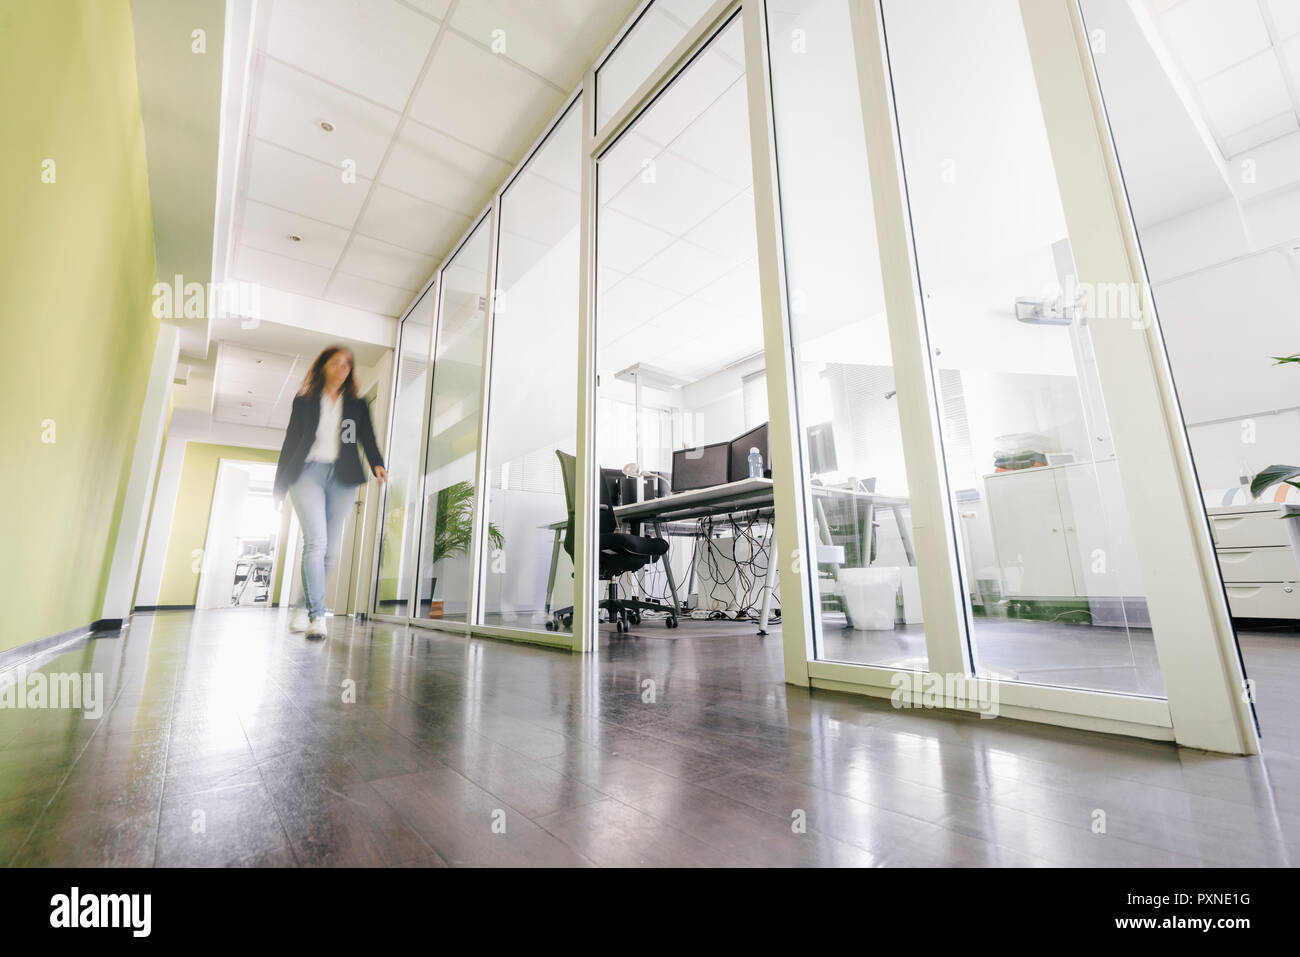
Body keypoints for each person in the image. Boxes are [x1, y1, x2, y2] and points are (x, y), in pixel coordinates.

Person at [273, 345, 387, 640]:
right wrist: (279, 486)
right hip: (306, 474)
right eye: (336, 363)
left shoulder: (356, 406)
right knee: (316, 543)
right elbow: (290, 442)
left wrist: (377, 463)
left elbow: (367, 438)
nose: (342, 368)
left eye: (347, 364)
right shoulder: (304, 402)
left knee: (329, 553)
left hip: (343, 477)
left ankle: (301, 607)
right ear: (323, 366)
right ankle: (317, 617)